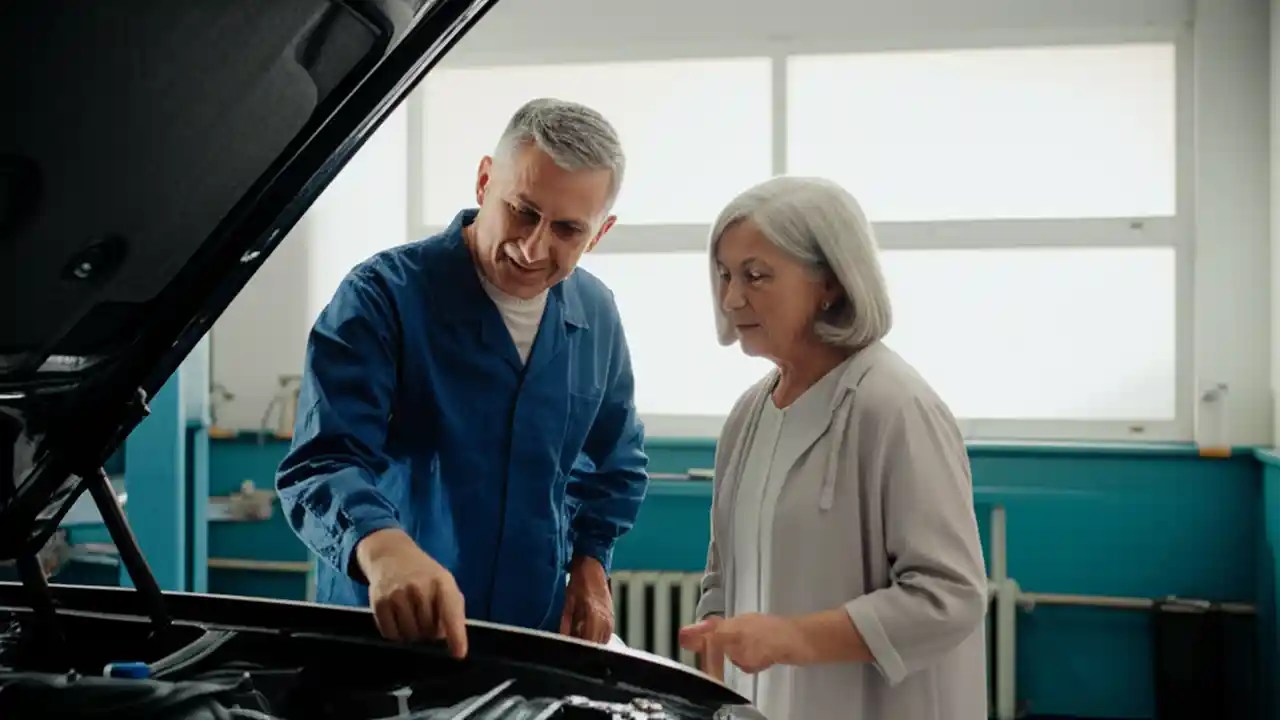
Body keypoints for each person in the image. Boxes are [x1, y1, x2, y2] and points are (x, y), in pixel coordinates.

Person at [275, 98, 649, 660]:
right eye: (522, 210)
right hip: (389, 635)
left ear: (600, 232)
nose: (532, 247)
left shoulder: (596, 314)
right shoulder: (382, 297)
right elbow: (324, 459)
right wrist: (384, 550)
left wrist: (591, 563)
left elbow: (613, 459)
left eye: (568, 229)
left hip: (531, 634)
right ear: (483, 182)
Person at [677, 176, 987, 718]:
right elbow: (723, 574)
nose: (731, 298)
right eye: (725, 275)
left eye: (756, 276)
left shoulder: (896, 407)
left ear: (831, 284)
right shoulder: (749, 415)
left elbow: (949, 596)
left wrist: (793, 638)